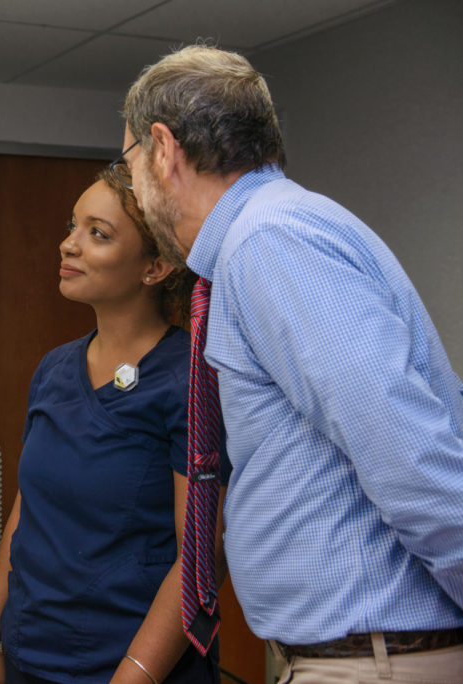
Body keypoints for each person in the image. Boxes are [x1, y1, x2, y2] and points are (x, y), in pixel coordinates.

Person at [120, 44, 463, 682]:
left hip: (377, 661)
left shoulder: (270, 243)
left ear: (163, 149)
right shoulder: (265, 238)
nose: (134, 189)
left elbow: (408, 454)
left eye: (130, 160)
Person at [0, 165, 224, 684]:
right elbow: (29, 509)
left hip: (127, 668)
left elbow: (203, 556)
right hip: (31, 655)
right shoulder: (55, 369)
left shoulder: (189, 379)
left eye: (98, 234)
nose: (68, 245)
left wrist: (132, 676)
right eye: (73, 226)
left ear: (154, 267)